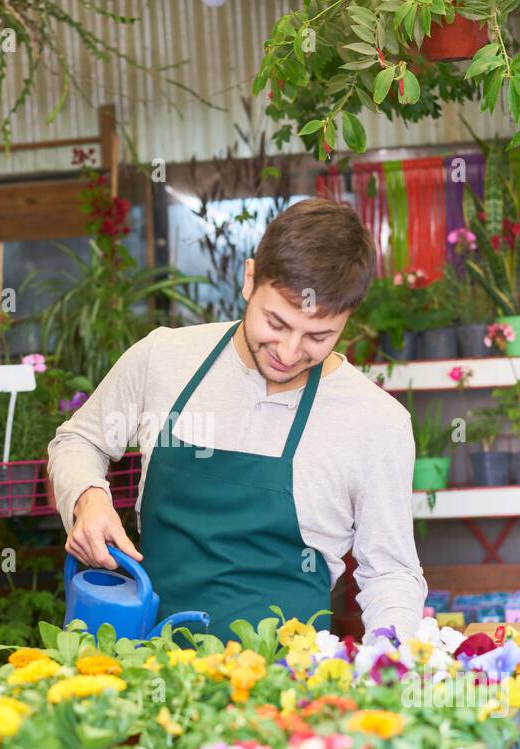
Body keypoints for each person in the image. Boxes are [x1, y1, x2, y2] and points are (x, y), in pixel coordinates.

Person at [47, 198, 427, 640]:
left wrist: (391, 661)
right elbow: (79, 440)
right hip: (145, 672)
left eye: (318, 336)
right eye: (276, 323)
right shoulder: (165, 359)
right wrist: (88, 499)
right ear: (249, 279)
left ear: (347, 320)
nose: (288, 353)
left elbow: (390, 573)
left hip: (286, 689)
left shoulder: (376, 423)